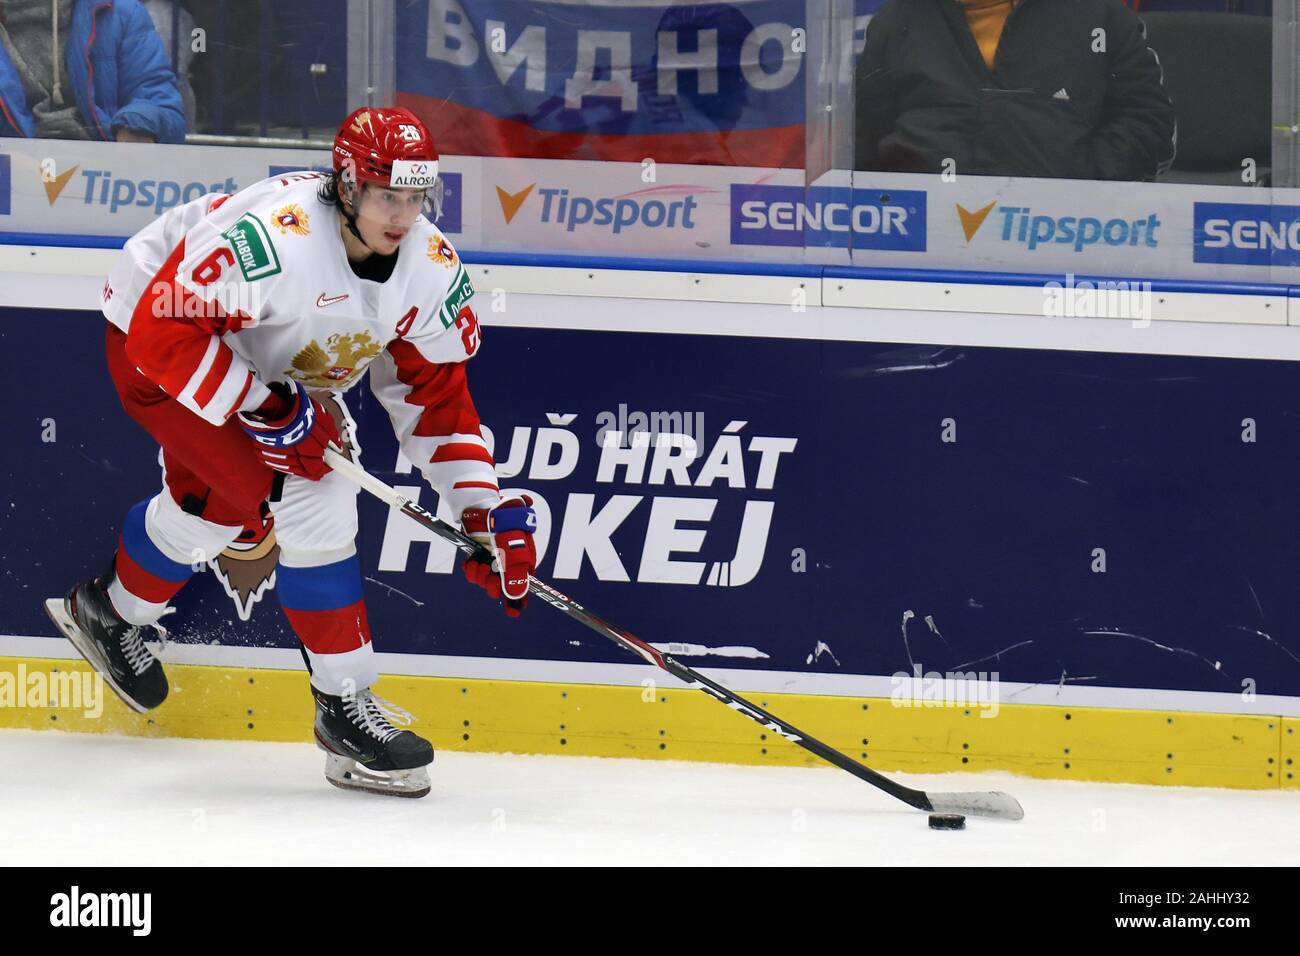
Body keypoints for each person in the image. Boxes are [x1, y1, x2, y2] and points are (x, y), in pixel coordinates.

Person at [44, 106, 537, 798]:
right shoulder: (276, 241)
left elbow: (438, 403)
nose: (402, 215)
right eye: (385, 195)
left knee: (219, 511)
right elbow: (162, 334)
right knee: (314, 491)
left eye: (415, 196)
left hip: (262, 357)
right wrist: (269, 409)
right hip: (156, 338)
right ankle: (343, 705)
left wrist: (483, 510)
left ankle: (109, 610)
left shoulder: (428, 269)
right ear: (346, 184)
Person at [854, 0, 1177, 181]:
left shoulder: (1101, 16)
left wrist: (1082, 181)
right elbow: (863, 139)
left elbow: (1148, 123)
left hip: (1066, 237)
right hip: (920, 239)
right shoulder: (896, 21)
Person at [0, 0, 185, 142]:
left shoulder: (121, 12)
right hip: (10, 180)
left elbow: (162, 105)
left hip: (107, 176)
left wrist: (139, 125)